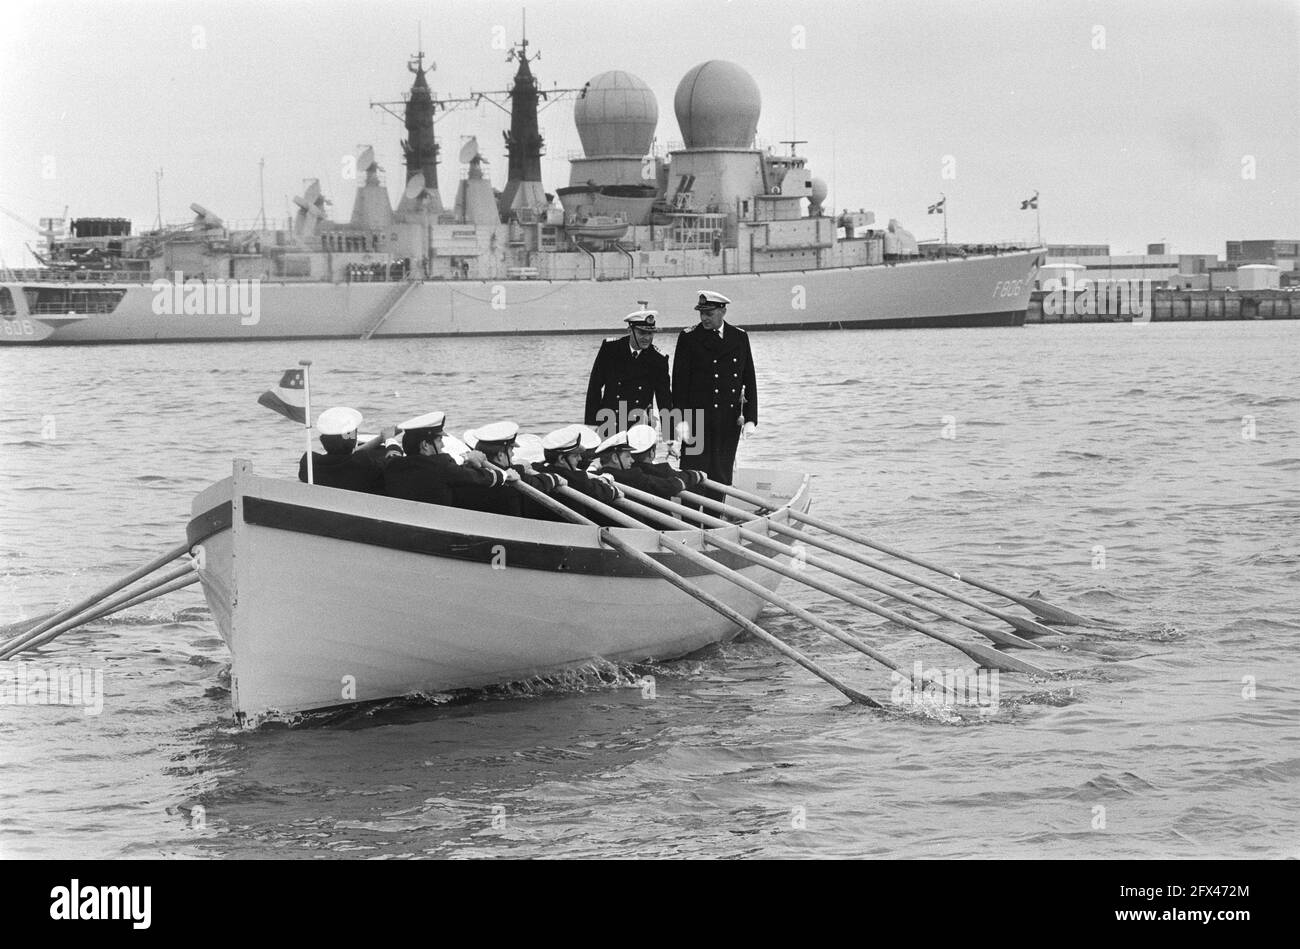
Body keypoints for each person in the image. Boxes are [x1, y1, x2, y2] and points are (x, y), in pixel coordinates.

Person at [671, 290, 757, 494]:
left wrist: (751, 418)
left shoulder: (739, 337)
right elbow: (679, 383)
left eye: (709, 313)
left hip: (728, 420)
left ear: (723, 311)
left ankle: (715, 522)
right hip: (696, 420)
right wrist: (678, 421)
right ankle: (690, 523)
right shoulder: (688, 337)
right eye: (702, 313)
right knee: (692, 476)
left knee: (721, 477)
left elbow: (749, 379)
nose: (704, 318)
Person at [383, 411, 515, 505]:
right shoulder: (443, 468)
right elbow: (484, 478)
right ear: (425, 445)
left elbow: (393, 452)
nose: (443, 445)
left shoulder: (393, 464)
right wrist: (504, 474)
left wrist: (389, 438)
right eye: (439, 440)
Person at [584, 308, 672, 438]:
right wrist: (591, 423)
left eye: (651, 333)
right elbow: (595, 386)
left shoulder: (658, 359)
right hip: (609, 421)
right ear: (630, 330)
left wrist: (670, 437)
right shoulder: (610, 349)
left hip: (640, 425)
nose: (647, 338)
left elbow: (664, 399)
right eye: (642, 333)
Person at [455, 421, 565, 518]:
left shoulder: (468, 473)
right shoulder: (506, 480)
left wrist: (519, 468)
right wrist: (554, 478)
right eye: (511, 449)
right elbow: (534, 484)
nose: (513, 454)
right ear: (500, 455)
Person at [298, 406, 387, 494]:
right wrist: (391, 442)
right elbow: (394, 464)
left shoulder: (309, 464)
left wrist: (380, 439)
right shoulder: (364, 463)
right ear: (353, 440)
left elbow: (343, 456)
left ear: (322, 440)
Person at [594, 430, 705, 500]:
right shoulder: (632, 475)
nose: (632, 460)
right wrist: (696, 475)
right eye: (627, 456)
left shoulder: (596, 475)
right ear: (614, 458)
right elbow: (670, 486)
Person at [534, 425, 623, 507]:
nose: (580, 459)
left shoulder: (538, 472)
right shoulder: (577, 479)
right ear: (561, 459)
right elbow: (600, 491)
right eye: (575, 456)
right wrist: (612, 489)